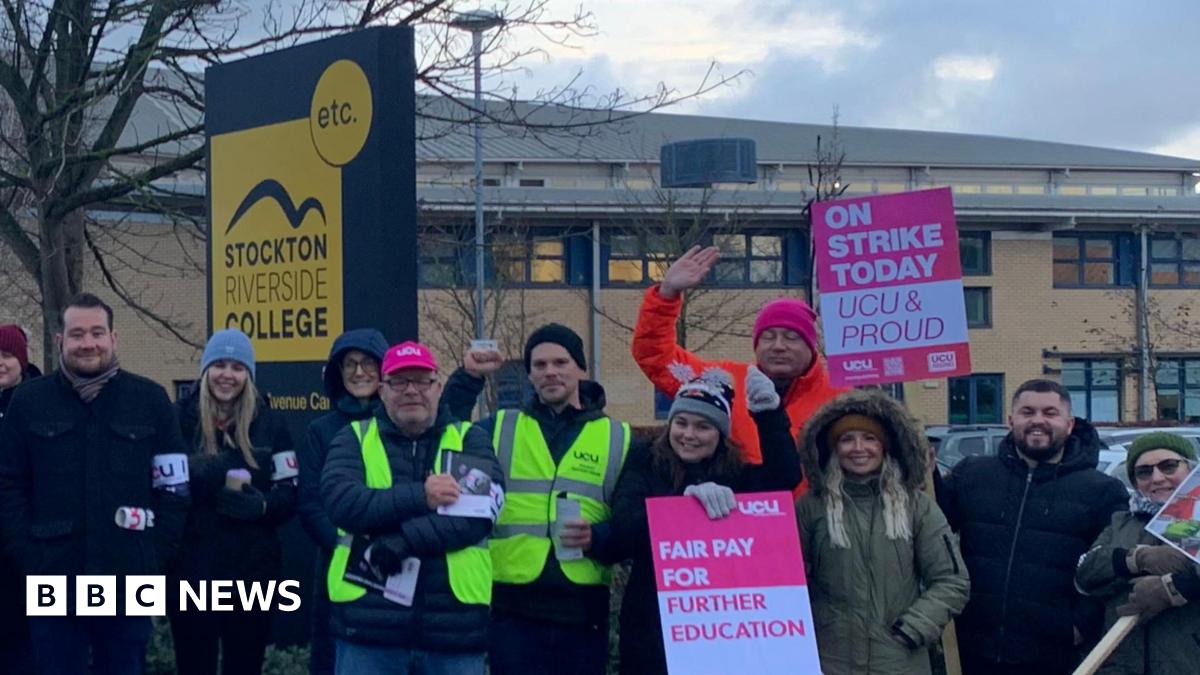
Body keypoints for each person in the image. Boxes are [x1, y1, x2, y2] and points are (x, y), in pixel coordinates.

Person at [0, 293, 190, 675]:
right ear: (60, 340)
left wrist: (152, 559)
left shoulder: (151, 400)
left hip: (131, 576)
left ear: (113, 338)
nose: (88, 343)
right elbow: (8, 485)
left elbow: (174, 490)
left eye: (97, 333)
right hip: (51, 576)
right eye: (77, 334)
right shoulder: (28, 402)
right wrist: (30, 559)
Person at [440, 324, 630, 675]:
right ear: (528, 374)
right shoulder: (499, 427)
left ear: (581, 368)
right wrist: (468, 378)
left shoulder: (619, 437)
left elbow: (632, 521)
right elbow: (446, 433)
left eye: (560, 362)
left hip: (582, 611)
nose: (550, 372)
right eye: (539, 365)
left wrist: (599, 537)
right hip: (513, 608)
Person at [321, 341, 503, 674]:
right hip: (369, 629)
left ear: (438, 387)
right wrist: (422, 496)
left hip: (454, 630)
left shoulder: (470, 438)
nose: (411, 390)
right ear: (382, 390)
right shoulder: (353, 438)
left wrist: (404, 540)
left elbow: (475, 516)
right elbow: (343, 503)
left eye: (421, 380)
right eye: (399, 382)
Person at [607, 364, 802, 674]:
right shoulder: (645, 463)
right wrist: (680, 510)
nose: (688, 435)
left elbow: (784, 477)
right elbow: (622, 530)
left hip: (717, 630)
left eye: (703, 426)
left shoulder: (735, 473)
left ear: (720, 433)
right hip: (651, 628)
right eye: (681, 423)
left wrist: (769, 415)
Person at [938, 379, 1128, 675]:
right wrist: (919, 469)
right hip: (971, 647)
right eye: (1027, 412)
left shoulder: (1102, 491)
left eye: (1050, 412)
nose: (1038, 420)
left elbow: (1108, 569)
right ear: (1011, 420)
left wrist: (1080, 625)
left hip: (1053, 654)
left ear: (1069, 423)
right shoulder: (972, 475)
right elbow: (929, 527)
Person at [796, 389, 969, 675]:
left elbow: (951, 580)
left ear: (885, 446)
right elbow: (789, 577)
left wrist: (914, 628)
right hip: (830, 658)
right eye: (847, 439)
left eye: (869, 438)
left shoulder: (917, 506)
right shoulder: (812, 506)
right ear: (834, 447)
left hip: (899, 660)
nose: (858, 448)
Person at [631, 245, 844, 475]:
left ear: (811, 346)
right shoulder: (722, 383)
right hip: (738, 497)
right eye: (768, 337)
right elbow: (654, 353)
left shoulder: (841, 395)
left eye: (791, 337)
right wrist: (666, 295)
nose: (778, 346)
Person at [168, 328, 297, 675]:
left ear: (248, 374)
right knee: (194, 666)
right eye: (219, 365)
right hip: (193, 570)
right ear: (205, 370)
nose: (227, 375)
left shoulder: (271, 422)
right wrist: (205, 470)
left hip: (252, 572)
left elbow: (289, 494)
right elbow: (163, 484)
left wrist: (263, 506)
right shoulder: (178, 418)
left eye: (238, 367)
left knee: (245, 666)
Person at [297, 328, 388, 675]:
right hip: (338, 563)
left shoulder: (402, 423)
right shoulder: (321, 430)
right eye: (350, 364)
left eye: (368, 363)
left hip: (397, 559)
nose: (359, 372)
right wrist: (347, 548)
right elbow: (311, 504)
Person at [1076, 431, 1200, 673]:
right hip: (1123, 664)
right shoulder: (1122, 522)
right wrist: (1134, 560)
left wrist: (1174, 588)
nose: (1157, 478)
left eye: (1168, 466)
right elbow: (1086, 572)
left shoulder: (1196, 519)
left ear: (1190, 468)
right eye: (1144, 472)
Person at [0, 324, 40, 674]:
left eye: (7, 355)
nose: (0, 363)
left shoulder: (37, 405)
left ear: (22, 360)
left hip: (25, 545)